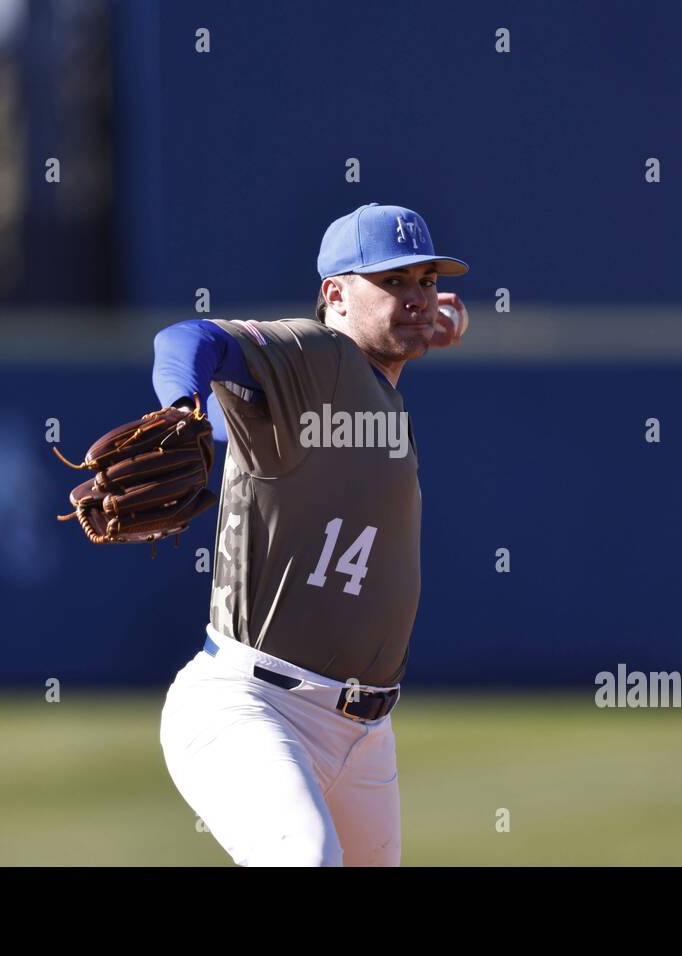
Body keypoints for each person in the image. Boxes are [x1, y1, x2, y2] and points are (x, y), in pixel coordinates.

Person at [151, 202, 469, 866]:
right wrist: (180, 405)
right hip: (255, 707)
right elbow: (186, 340)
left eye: (425, 281)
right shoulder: (318, 354)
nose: (414, 296)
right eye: (391, 282)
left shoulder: (365, 382)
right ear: (334, 295)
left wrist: (426, 320)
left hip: (365, 735)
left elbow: (255, 425)